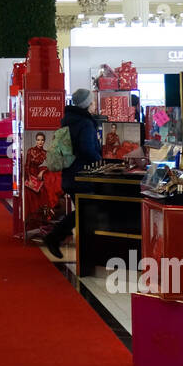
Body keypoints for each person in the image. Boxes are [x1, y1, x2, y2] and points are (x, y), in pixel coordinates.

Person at [44, 88, 103, 258]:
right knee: (86, 210)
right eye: (92, 102)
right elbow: (86, 149)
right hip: (82, 174)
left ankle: (79, 246)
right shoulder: (85, 123)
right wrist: (100, 160)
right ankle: (56, 237)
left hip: (70, 174)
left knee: (85, 211)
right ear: (87, 104)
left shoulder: (69, 120)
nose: (94, 105)